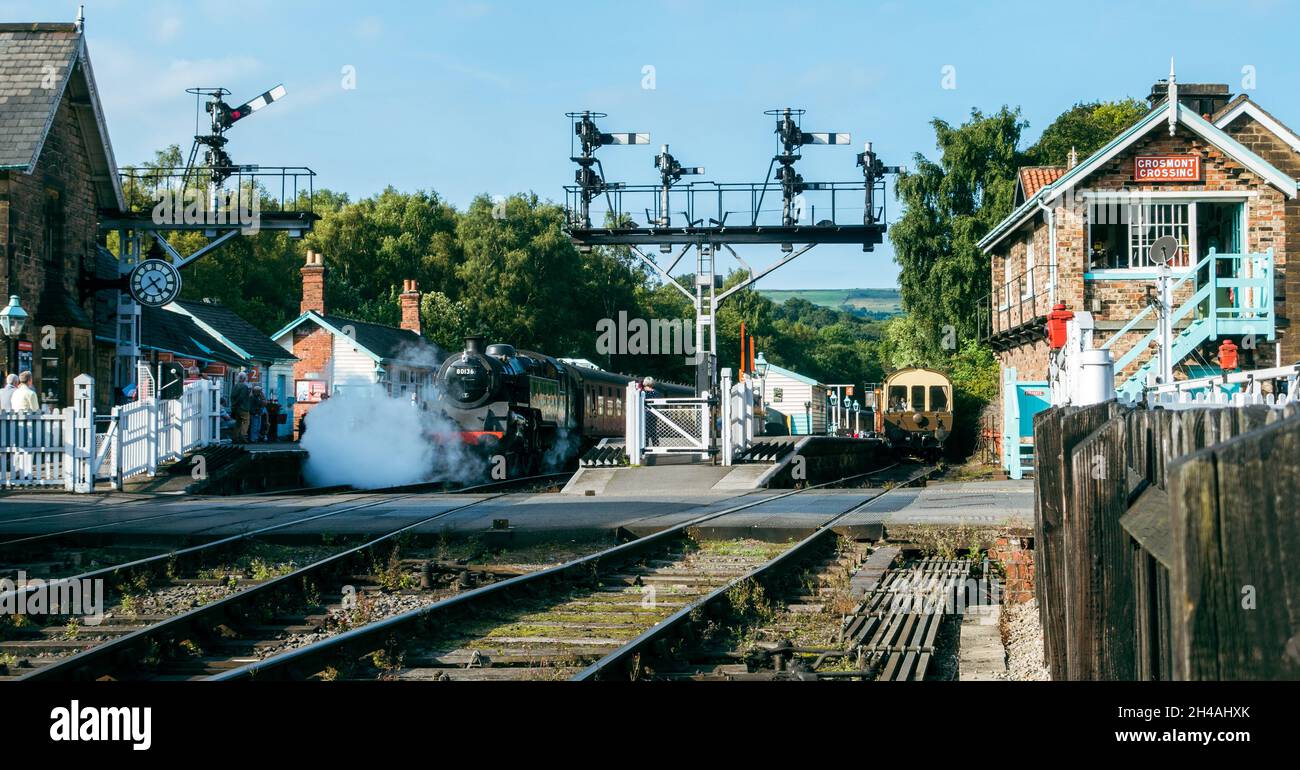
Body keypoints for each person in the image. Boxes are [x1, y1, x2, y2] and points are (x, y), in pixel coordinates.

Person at [230, 372, 251, 443]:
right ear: (244, 378)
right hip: (243, 407)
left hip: (236, 408)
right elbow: (241, 397)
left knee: (238, 422)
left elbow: (232, 396)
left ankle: (235, 437)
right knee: (246, 421)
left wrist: (233, 405)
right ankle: (243, 435)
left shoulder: (235, 386)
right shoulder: (244, 387)